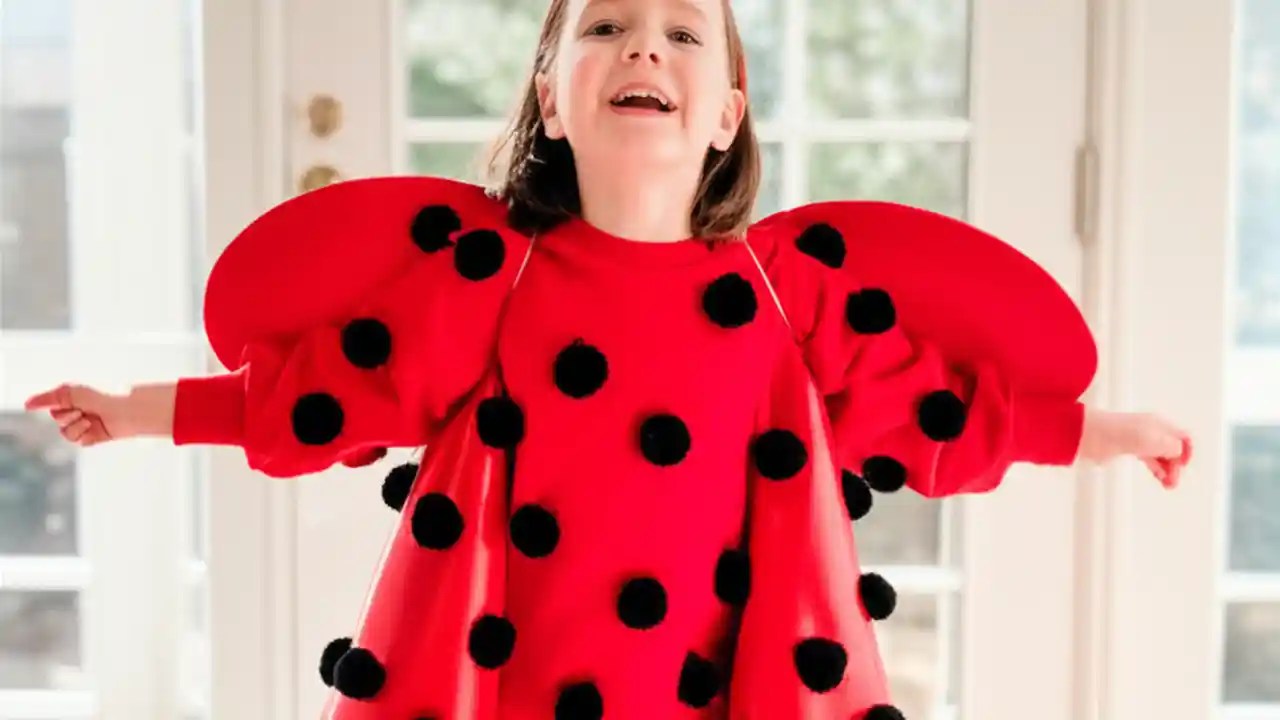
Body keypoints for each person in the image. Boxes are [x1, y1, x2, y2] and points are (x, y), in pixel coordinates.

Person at [24, 0, 1192, 718]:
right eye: (603, 27)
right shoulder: (492, 273)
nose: (644, 43)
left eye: (683, 32)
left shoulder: (789, 291)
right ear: (551, 96)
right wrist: (146, 409)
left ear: (726, 113)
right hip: (505, 685)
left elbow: (933, 412)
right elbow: (336, 392)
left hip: (730, 688)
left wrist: (1101, 433)